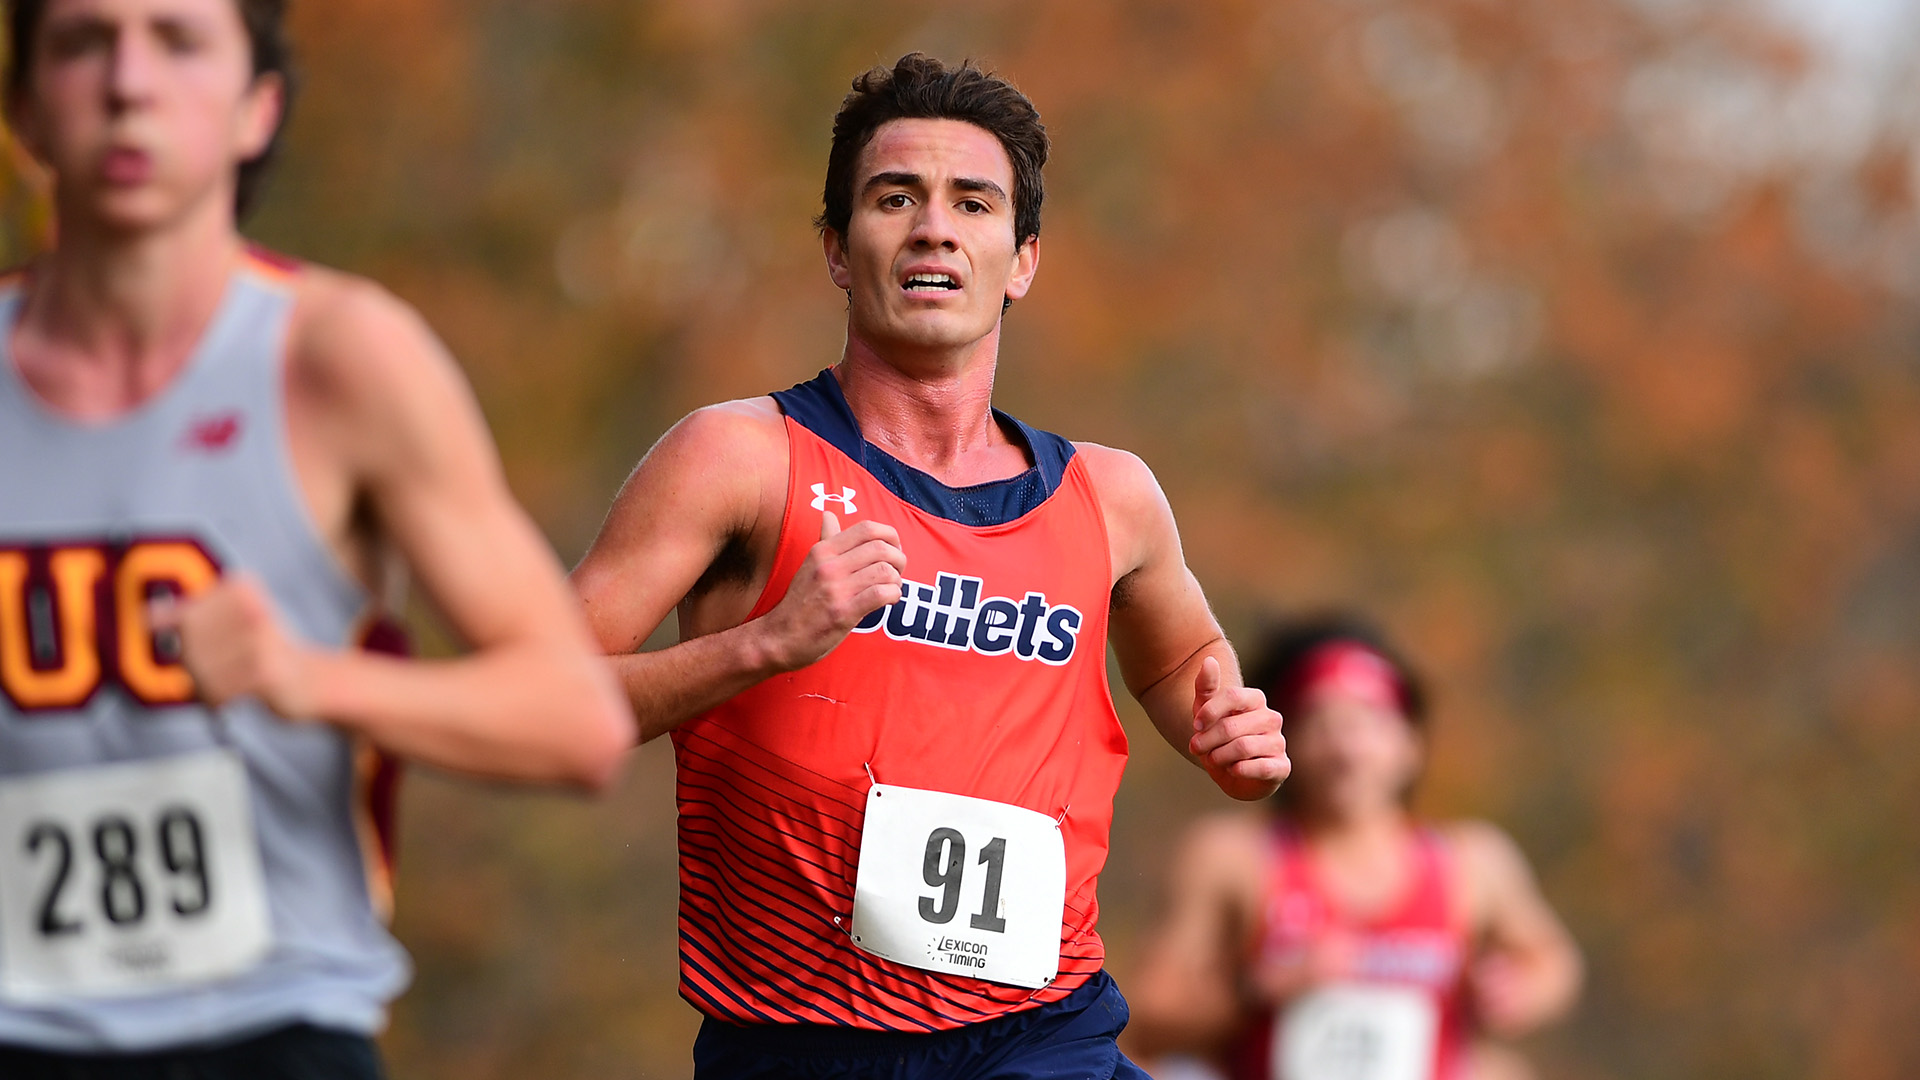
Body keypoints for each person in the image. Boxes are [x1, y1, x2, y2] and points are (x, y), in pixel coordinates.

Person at [571, 52, 1290, 1079]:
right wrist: (766, 643)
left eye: (973, 203)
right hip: (800, 1039)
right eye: (894, 197)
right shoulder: (739, 458)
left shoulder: (1112, 496)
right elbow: (542, 701)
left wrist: (1229, 738)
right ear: (837, 248)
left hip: (1041, 1032)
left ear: (1023, 259)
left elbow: (1184, 667)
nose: (934, 229)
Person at [0, 1, 636, 1077]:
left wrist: (307, 677)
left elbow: (577, 722)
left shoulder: (341, 357)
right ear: (24, 109)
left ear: (258, 106)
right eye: (82, 42)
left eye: (178, 40)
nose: (128, 85)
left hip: (274, 1027)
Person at [1125, 617, 1583, 1080]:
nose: (1348, 748)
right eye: (1322, 723)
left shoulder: (1473, 861)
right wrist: (1260, 987)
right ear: (1284, 738)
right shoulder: (1234, 858)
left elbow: (1553, 963)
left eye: (1369, 721)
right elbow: (1148, 1017)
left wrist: (1516, 990)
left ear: (1412, 743)